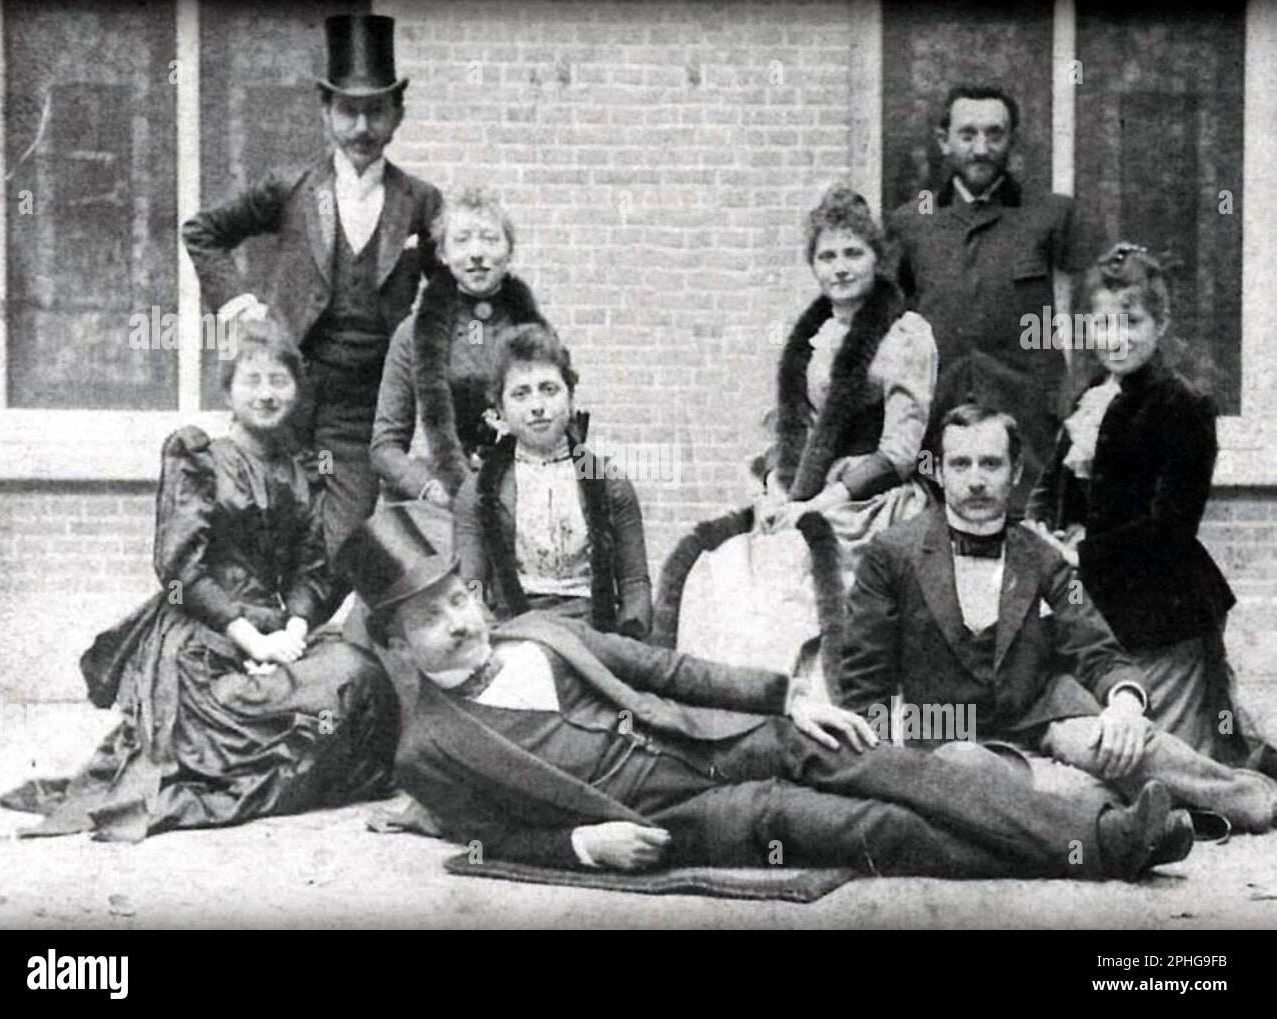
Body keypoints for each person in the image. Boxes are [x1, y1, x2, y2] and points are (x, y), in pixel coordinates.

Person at [333, 504, 1195, 882]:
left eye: (457, 596)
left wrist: (788, 700)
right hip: (680, 815)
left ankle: (1107, 839)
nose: (459, 620)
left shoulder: (543, 631)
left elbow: (669, 672)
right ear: (400, 640)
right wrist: (584, 845)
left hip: (725, 739)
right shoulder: (430, 748)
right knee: (878, 828)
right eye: (431, 617)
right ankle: (1085, 850)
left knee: (891, 765)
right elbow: (485, 842)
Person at [0, 320, 396, 841]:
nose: (267, 394)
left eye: (279, 381)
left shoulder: (300, 468)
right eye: (252, 380)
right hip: (199, 640)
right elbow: (179, 572)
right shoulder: (200, 457)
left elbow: (309, 566)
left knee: (359, 675)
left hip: (274, 631)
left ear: (298, 391)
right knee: (277, 712)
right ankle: (209, 759)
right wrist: (249, 637)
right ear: (228, 389)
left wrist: (295, 629)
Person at [832, 403, 1277, 834]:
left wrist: (1124, 705)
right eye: (961, 464)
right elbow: (865, 679)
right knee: (973, 775)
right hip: (948, 726)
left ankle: (1258, 804)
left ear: (1016, 473)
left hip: (1042, 715)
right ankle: (1124, 821)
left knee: (1130, 747)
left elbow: (1096, 647)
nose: (975, 480)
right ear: (940, 471)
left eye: (990, 464)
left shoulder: (1043, 557)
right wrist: (879, 770)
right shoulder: (891, 555)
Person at [182, 13, 442, 562]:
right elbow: (203, 232)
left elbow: (451, 297)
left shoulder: (419, 201)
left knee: (348, 535)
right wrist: (242, 309)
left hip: (364, 405)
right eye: (348, 111)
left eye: (376, 110)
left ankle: (293, 631)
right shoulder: (293, 188)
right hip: (286, 391)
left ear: (398, 114)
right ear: (327, 113)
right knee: (262, 517)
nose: (362, 127)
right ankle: (257, 634)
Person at [659, 183, 936, 680]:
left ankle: (822, 695)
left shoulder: (906, 333)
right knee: (719, 564)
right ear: (813, 264)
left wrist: (814, 505)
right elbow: (790, 430)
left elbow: (900, 452)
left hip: (870, 500)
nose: (841, 266)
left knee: (794, 562)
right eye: (827, 256)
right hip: (804, 488)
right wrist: (774, 490)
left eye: (854, 252)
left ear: (877, 257)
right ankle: (751, 698)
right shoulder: (813, 335)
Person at [1025, 243, 1276, 773]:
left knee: (1170, 759)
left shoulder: (1182, 405)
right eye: (1103, 324)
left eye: (1131, 321)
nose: (1115, 338)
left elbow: (1170, 529)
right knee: (1091, 742)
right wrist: (1039, 530)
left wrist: (1082, 555)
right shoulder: (1088, 397)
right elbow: (1053, 483)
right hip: (1093, 601)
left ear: (1160, 324)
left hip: (1162, 609)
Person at [887, 84, 1083, 511]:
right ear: (944, 141)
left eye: (994, 135)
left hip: (1027, 431)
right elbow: (884, 325)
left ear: (1011, 140)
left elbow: (1101, 303)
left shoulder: (1048, 214)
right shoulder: (913, 223)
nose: (981, 148)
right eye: (968, 134)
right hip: (938, 428)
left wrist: (1078, 401)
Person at [452, 324, 652, 637]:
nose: (537, 406)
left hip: (595, 634)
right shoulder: (477, 492)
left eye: (549, 389)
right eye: (520, 394)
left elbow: (634, 583)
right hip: (516, 632)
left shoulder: (609, 482)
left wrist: (626, 643)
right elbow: (472, 584)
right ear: (500, 412)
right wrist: (489, 633)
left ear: (570, 399)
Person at [371, 186, 549, 517]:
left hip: (517, 495)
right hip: (442, 499)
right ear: (442, 253)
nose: (476, 253)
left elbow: (558, 426)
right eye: (462, 240)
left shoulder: (533, 334)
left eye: (490, 239)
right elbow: (385, 447)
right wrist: (431, 489)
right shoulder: (412, 333)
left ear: (509, 251)